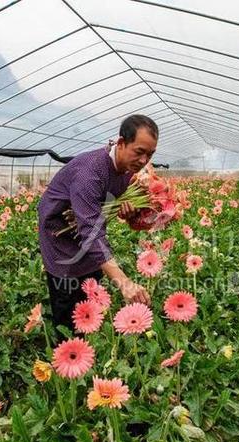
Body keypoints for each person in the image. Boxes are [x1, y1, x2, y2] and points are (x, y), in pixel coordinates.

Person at [38, 114, 156, 332]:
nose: (143, 161)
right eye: (139, 152)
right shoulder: (89, 174)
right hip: (61, 239)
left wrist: (126, 213)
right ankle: (66, 352)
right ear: (121, 143)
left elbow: (104, 208)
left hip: (89, 238)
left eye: (149, 154)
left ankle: (90, 337)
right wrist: (123, 281)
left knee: (92, 298)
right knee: (68, 307)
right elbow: (90, 232)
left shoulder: (127, 171)